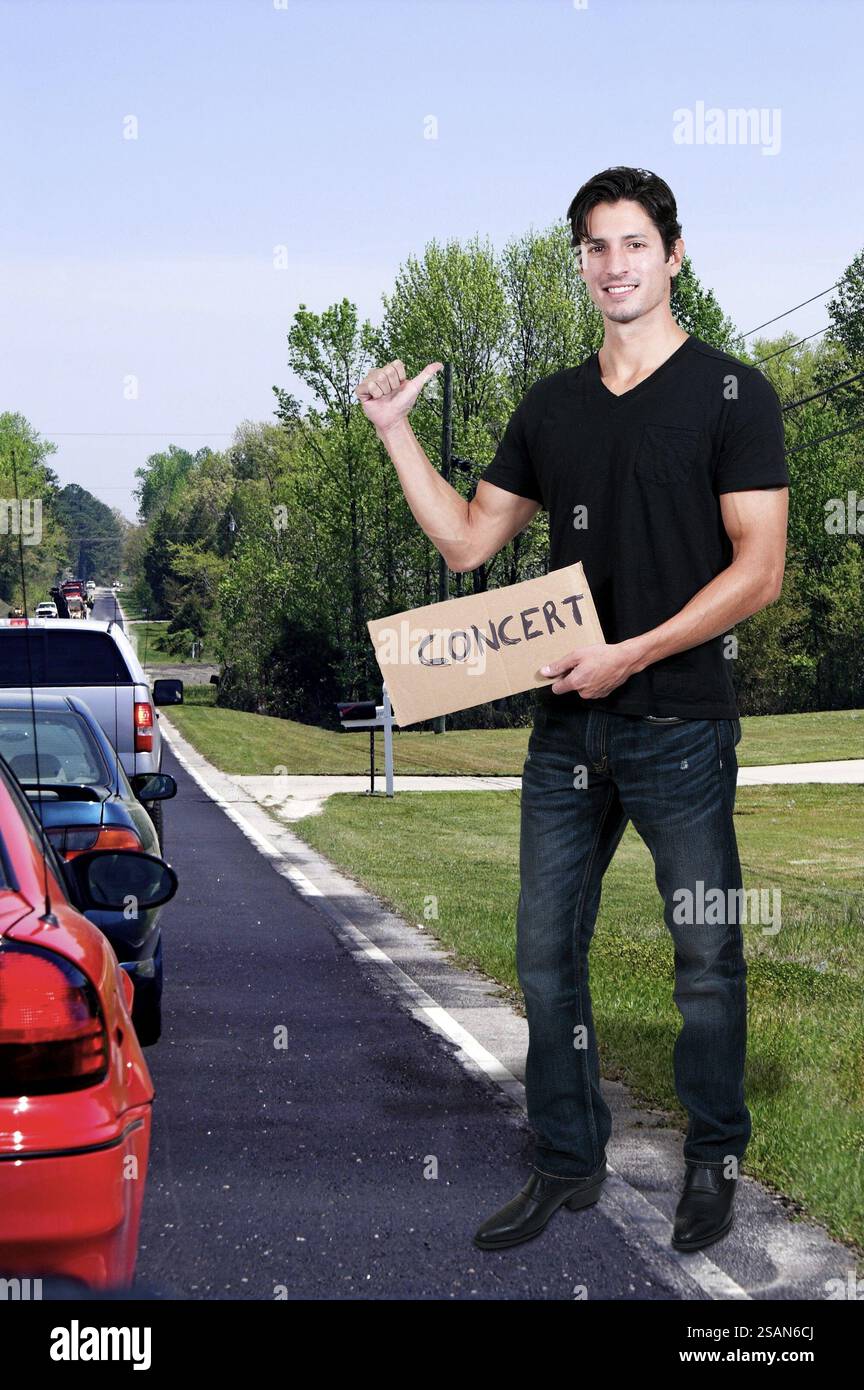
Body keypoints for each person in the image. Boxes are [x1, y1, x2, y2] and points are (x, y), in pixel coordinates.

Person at [354, 166, 789, 1254]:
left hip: (680, 722)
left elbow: (762, 568)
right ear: (582, 263)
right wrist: (396, 432)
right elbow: (465, 542)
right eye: (596, 247)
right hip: (566, 732)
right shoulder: (551, 404)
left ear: (673, 255)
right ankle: (566, 1162)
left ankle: (713, 1158)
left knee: (704, 955)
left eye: (634, 243)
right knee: (546, 955)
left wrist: (631, 653)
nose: (614, 264)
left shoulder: (734, 395)